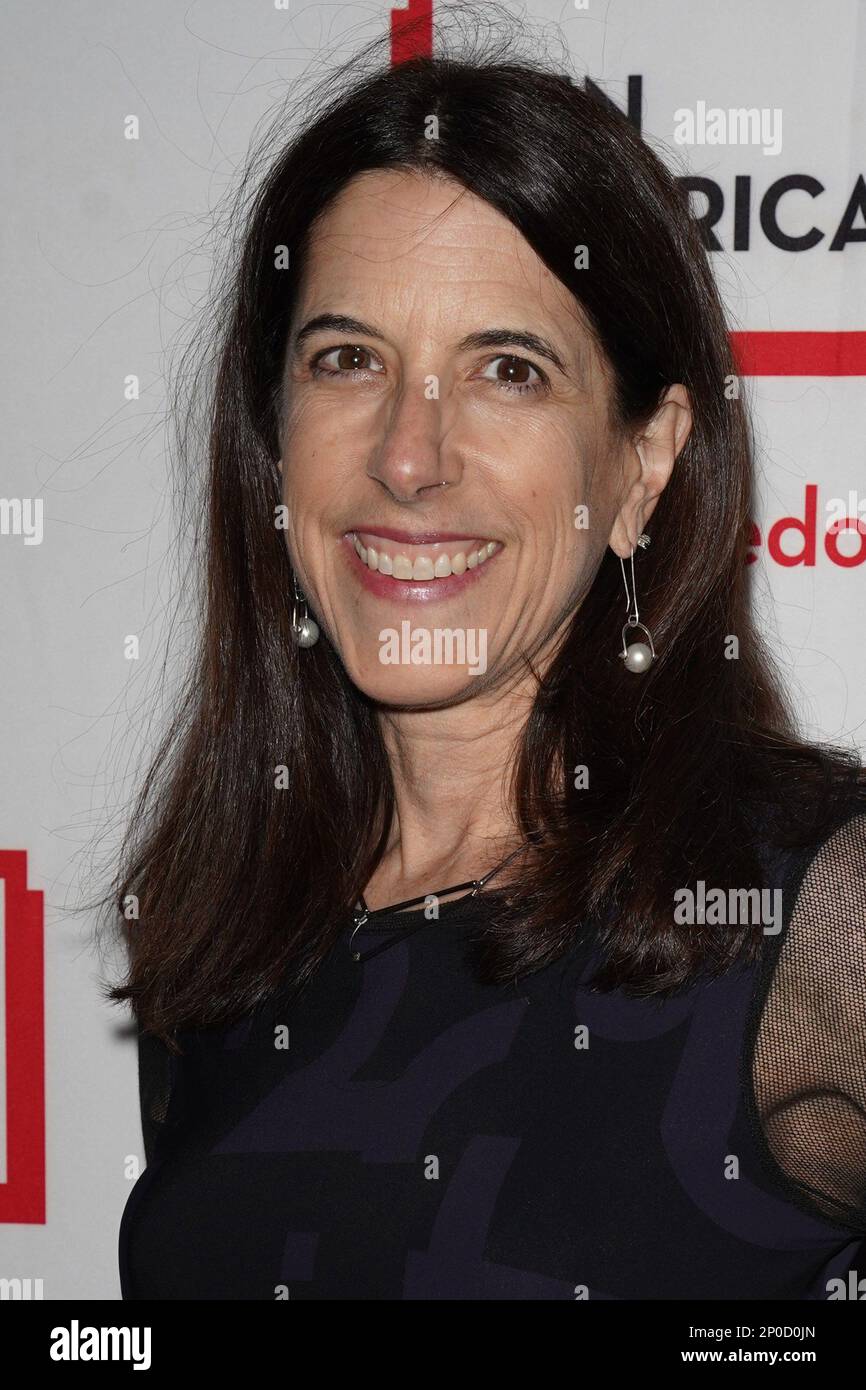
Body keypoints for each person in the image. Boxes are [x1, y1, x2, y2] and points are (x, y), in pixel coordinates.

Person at [108, 23, 866, 1300]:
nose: (409, 456)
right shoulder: (227, 946)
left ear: (642, 464)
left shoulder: (807, 911)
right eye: (347, 360)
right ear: (270, 439)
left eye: (506, 370)